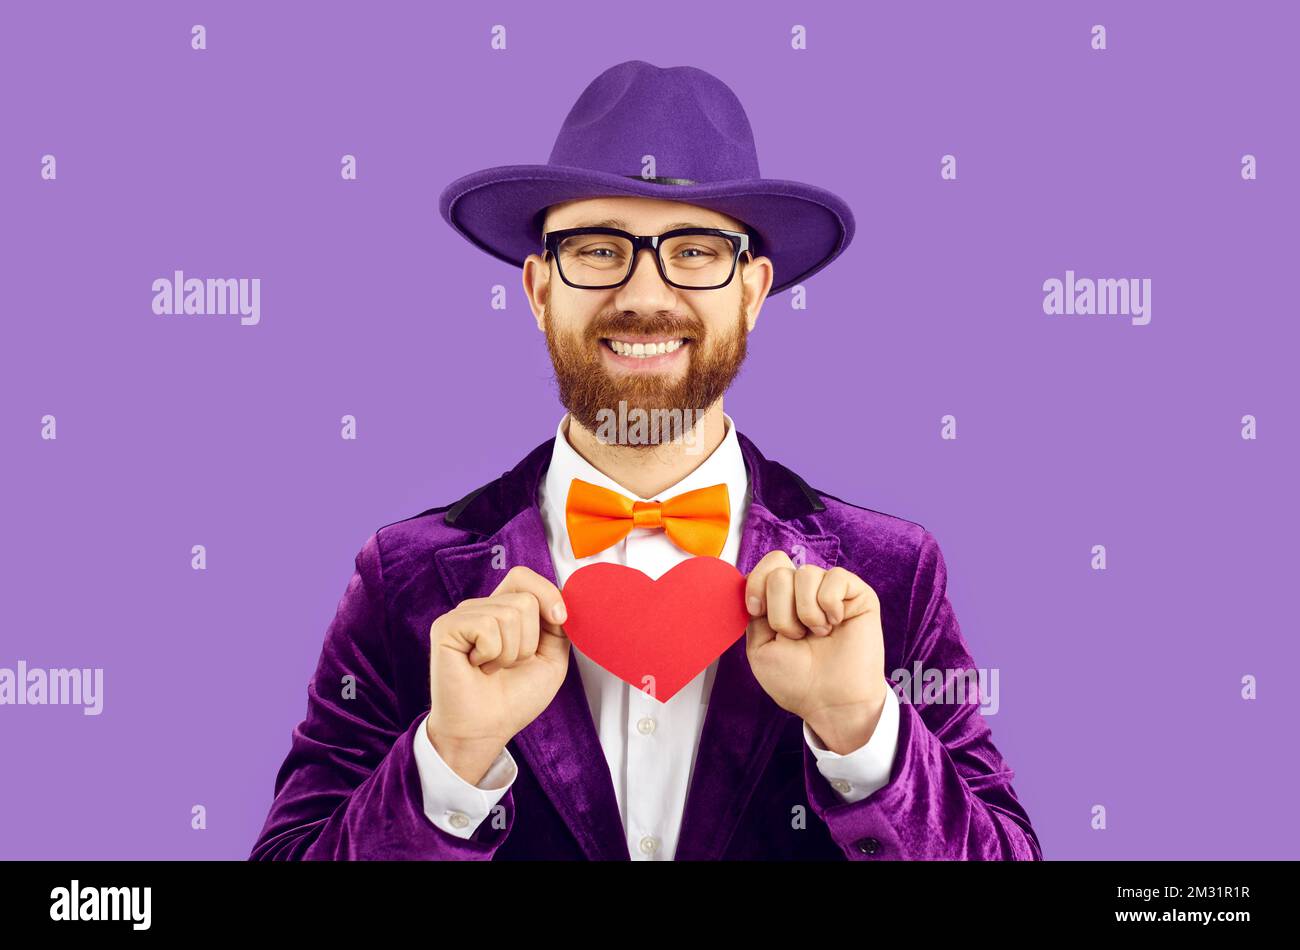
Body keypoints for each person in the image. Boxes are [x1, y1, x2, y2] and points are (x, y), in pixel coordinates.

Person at [249, 60, 1041, 861]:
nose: (644, 293)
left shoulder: (892, 574)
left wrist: (866, 737)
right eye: (598, 248)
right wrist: (448, 765)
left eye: (695, 250)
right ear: (538, 289)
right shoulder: (406, 578)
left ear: (753, 291)